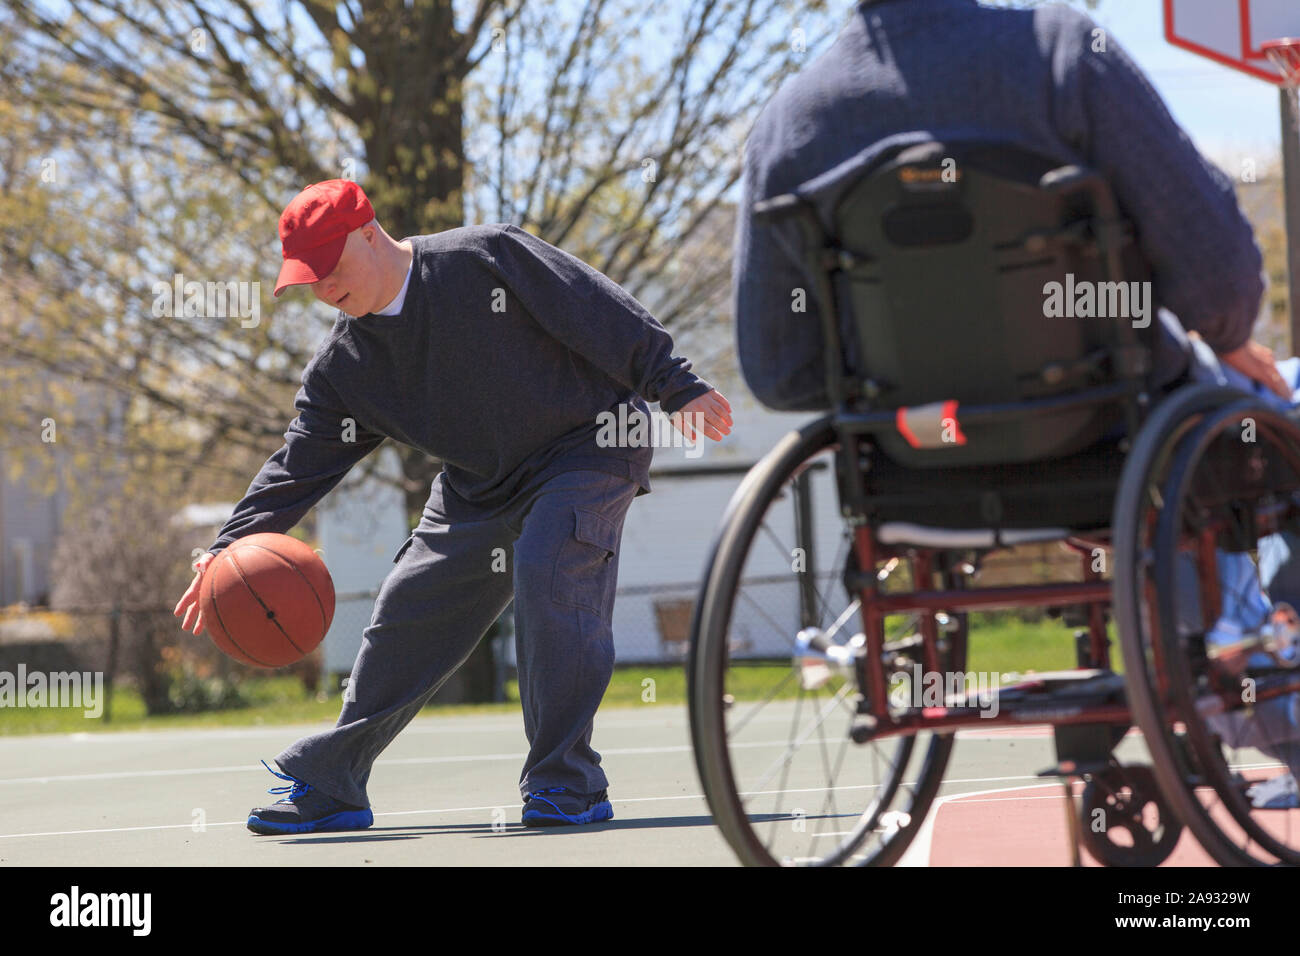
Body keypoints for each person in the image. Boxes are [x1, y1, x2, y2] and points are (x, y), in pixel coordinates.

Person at [733, 0, 1299, 805]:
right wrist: (1205, 327)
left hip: (915, 464)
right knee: (1281, 401)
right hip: (1114, 436)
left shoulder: (789, 122)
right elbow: (1218, 281)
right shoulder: (1063, 53)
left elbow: (779, 371)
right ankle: (1266, 690)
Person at [174, 179, 733, 833]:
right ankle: (335, 783)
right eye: (309, 279)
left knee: (548, 564)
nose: (324, 287)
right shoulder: (347, 367)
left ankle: (567, 783)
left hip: (587, 446)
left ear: (367, 233)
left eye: (331, 268)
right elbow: (298, 464)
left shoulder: (484, 258)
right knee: (406, 611)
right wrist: (225, 548)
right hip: (478, 483)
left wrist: (676, 384)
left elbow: (595, 309)